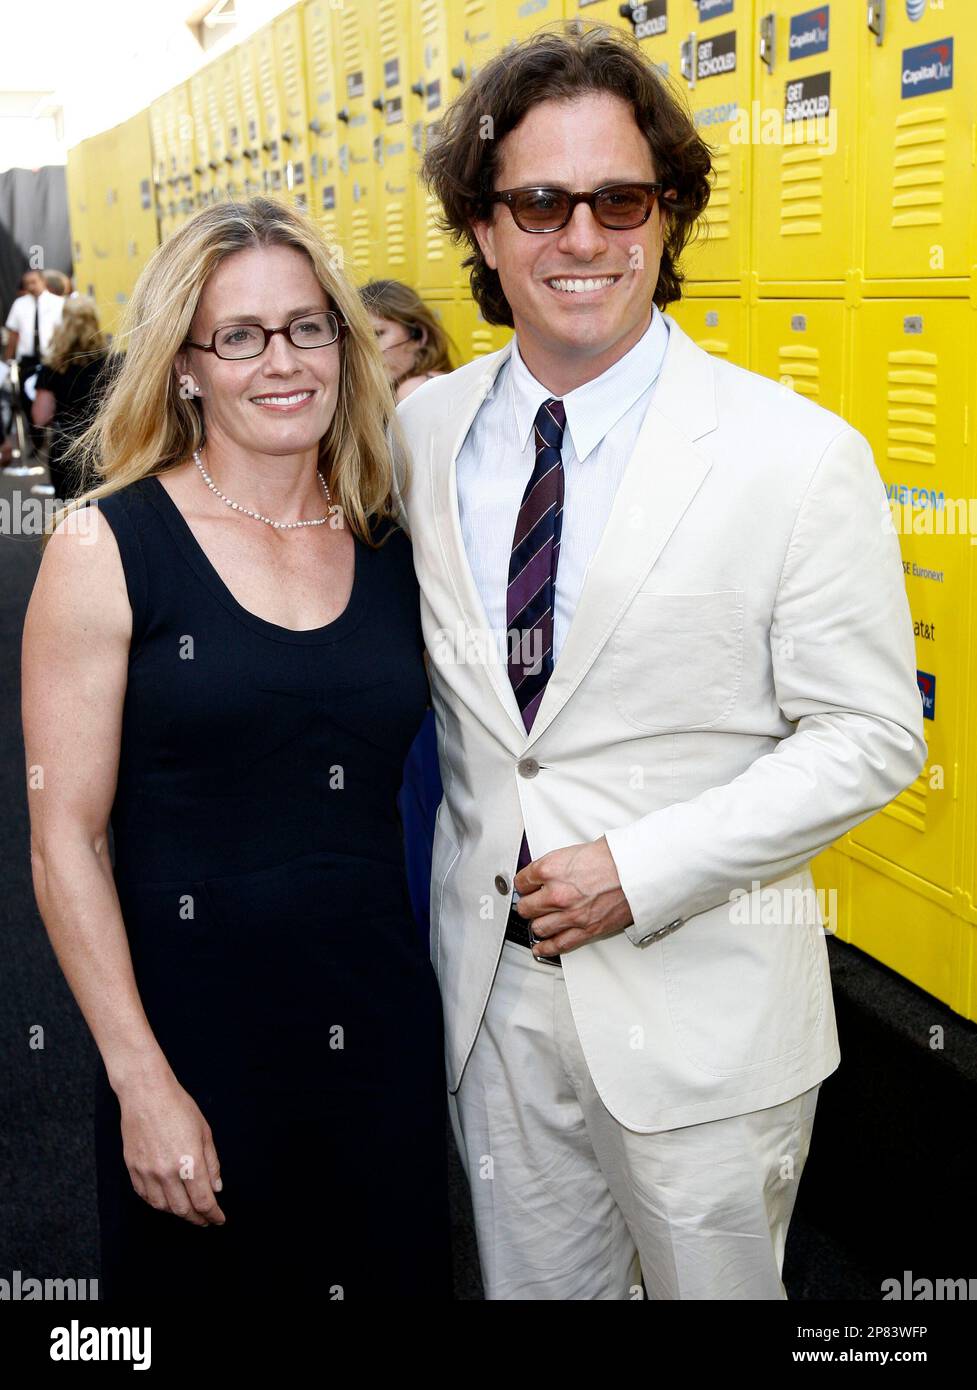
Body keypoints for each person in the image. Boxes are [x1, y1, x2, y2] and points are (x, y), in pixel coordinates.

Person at [391, 23, 928, 1300]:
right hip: (494, 1010)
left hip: (705, 1021)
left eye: (619, 198)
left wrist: (643, 869)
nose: (580, 237)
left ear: (669, 214)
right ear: (478, 225)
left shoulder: (793, 453)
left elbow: (868, 733)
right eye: (536, 200)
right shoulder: (420, 430)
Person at [21, 196, 451, 1300]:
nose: (283, 361)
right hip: (195, 1045)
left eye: (309, 327)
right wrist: (138, 1079)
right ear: (184, 365)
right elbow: (66, 840)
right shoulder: (107, 546)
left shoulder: (389, 538)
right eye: (242, 336)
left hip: (381, 1031)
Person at [31, 296, 112, 499]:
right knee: (104, 513)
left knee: (68, 516)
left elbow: (40, 416)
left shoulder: (53, 365)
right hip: (103, 447)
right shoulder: (110, 361)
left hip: (65, 447)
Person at [360, 279, 454, 401]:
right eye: (358, 338)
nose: (365, 349)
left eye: (377, 334)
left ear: (417, 336)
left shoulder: (414, 389)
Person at [4, 269, 65, 454]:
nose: (31, 286)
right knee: (26, 400)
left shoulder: (58, 303)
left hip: (51, 358)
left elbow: (64, 331)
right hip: (29, 359)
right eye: (27, 283)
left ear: (43, 281)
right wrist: (8, 357)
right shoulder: (19, 305)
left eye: (34, 282)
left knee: (56, 398)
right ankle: (36, 440)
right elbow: (14, 333)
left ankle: (58, 439)